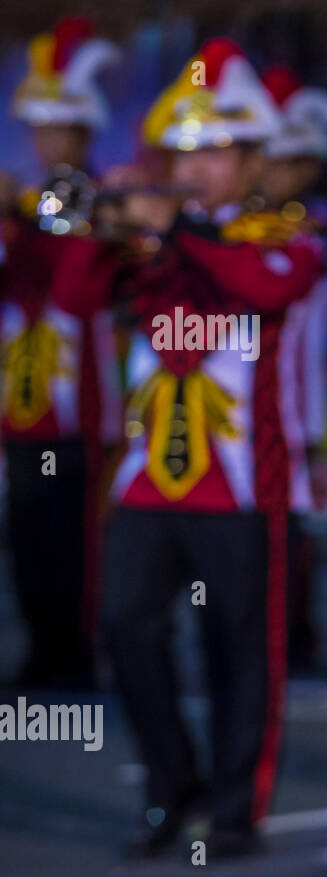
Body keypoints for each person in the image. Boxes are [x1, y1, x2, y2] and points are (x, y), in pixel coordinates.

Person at [54, 39, 326, 858]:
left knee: (242, 647)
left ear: (250, 157)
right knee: (124, 627)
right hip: (147, 481)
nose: (198, 165)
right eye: (186, 150)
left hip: (243, 484)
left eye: (215, 151)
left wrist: (177, 229)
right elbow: (73, 299)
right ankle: (173, 786)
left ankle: (239, 809)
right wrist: (106, 227)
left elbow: (263, 286)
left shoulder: (288, 233)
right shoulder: (150, 240)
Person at [1, 17, 119, 689]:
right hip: (23, 406)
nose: (49, 143)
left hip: (80, 409)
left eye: (62, 131)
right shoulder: (25, 204)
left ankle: (76, 652)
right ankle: (43, 648)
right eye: (41, 130)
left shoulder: (93, 199)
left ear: (84, 133)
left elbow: (76, 280)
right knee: (28, 542)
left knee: (77, 542)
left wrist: (19, 206)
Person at [259, 66, 327, 673]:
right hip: (259, 396)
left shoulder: (311, 228)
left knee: (291, 531)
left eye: (289, 162)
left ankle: (294, 636)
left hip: (301, 395)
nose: (277, 174)